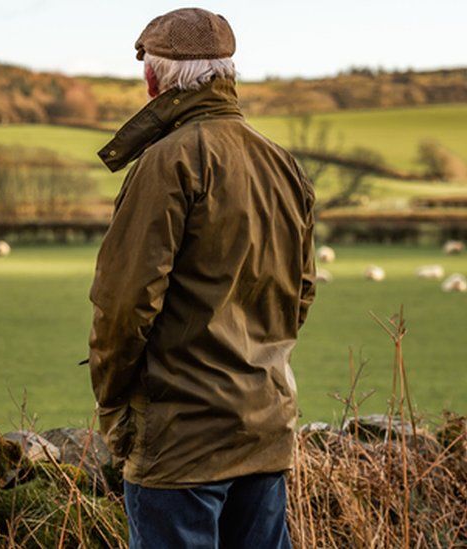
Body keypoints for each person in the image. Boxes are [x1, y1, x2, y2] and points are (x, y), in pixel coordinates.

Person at [88, 7, 316, 548]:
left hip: (181, 440)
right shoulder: (282, 164)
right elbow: (300, 292)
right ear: (228, 74)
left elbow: (125, 306)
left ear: (152, 79)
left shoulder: (167, 162)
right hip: (264, 427)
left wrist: (115, 402)